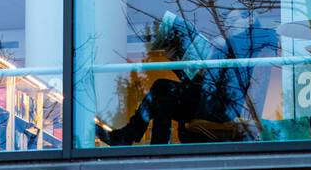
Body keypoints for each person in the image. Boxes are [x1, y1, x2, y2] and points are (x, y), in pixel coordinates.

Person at [96, 12, 262, 145]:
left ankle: (136, 139)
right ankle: (153, 145)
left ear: (250, 21)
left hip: (222, 105)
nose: (227, 24)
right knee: (164, 96)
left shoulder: (244, 45)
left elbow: (227, 85)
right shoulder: (228, 45)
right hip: (210, 98)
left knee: (162, 88)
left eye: (233, 20)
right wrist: (177, 62)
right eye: (227, 21)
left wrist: (218, 53)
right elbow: (195, 84)